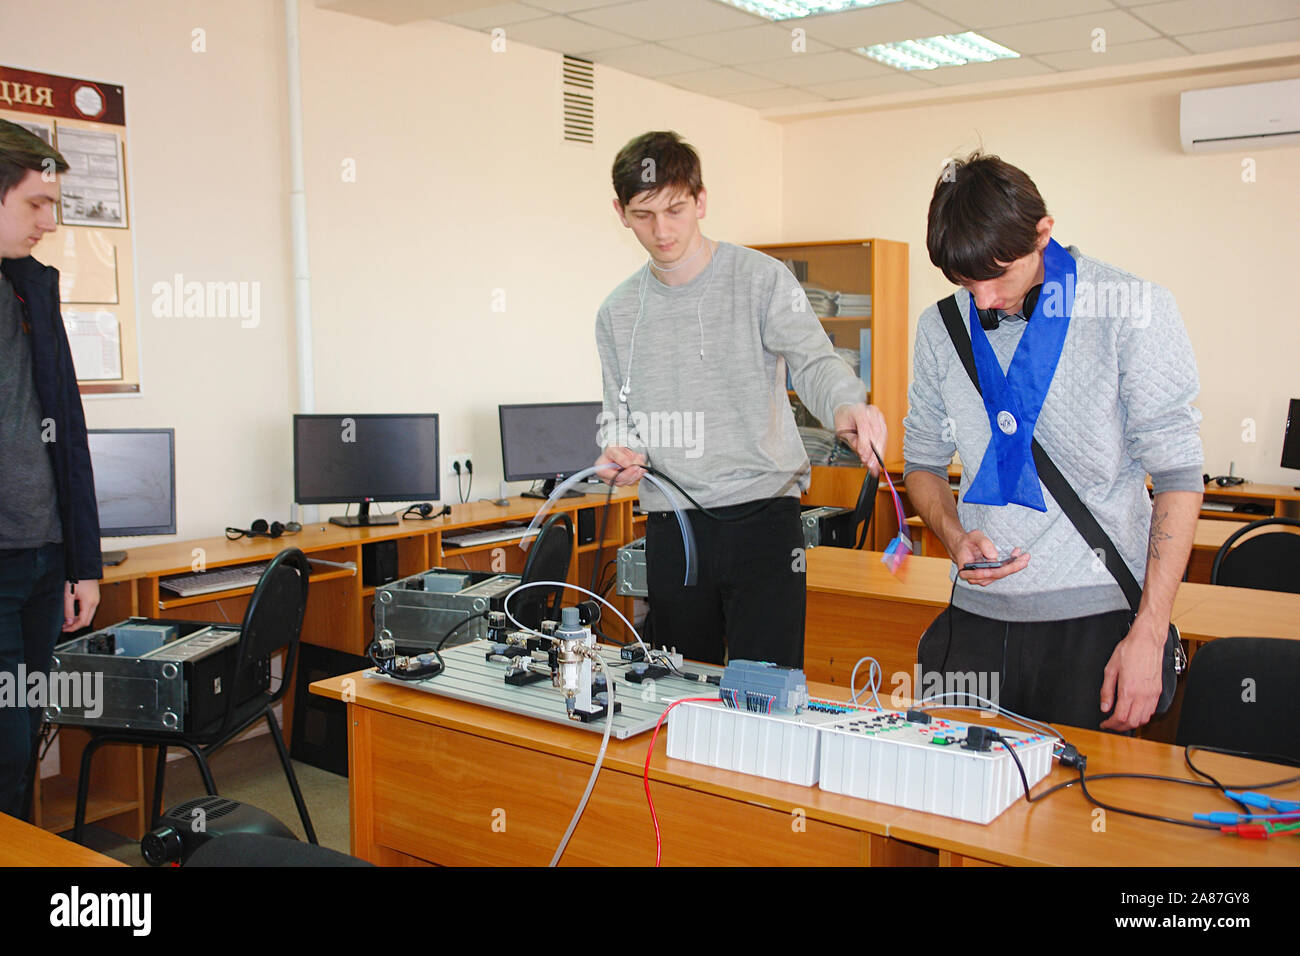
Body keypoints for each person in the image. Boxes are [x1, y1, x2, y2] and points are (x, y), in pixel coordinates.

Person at [904, 151, 1202, 732]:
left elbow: (1178, 475)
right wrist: (953, 533)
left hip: (1094, 619)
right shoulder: (940, 327)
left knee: (1080, 812)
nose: (983, 300)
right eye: (967, 282)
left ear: (1044, 233)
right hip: (975, 622)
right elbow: (922, 462)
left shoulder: (1132, 309)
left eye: (998, 275)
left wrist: (1150, 630)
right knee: (952, 810)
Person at [593, 130, 886, 668]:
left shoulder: (761, 280)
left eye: (676, 210)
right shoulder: (617, 313)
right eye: (644, 215)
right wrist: (619, 448)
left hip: (763, 519)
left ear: (701, 201)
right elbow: (618, 413)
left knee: (767, 697)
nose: (662, 231)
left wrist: (847, 405)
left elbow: (816, 361)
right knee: (680, 694)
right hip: (672, 525)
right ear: (621, 211)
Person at [0, 119, 102, 817]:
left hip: (41, 561)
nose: (48, 221)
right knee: (5, 743)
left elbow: (68, 430)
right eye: (36, 203)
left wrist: (82, 562)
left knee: (21, 741)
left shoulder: (34, 289)